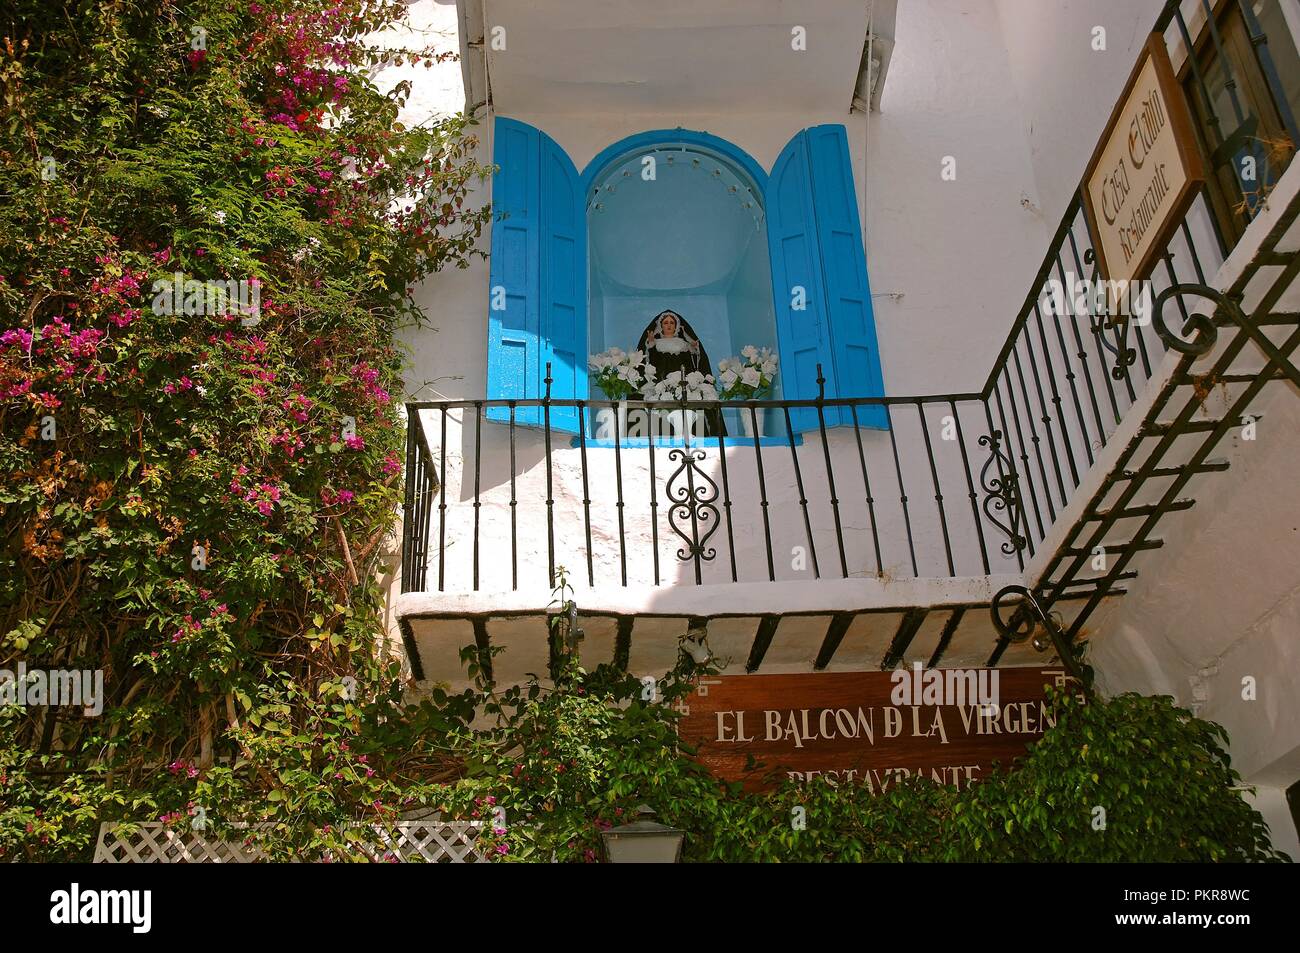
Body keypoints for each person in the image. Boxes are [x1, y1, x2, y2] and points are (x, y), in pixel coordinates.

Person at [635, 310, 725, 436]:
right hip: (662, 383)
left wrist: (694, 348)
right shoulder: (656, 344)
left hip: (683, 383)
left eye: (672, 322)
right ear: (661, 325)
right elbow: (651, 362)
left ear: (676, 326)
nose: (669, 325)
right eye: (666, 322)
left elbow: (692, 363)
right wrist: (650, 345)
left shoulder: (683, 344)